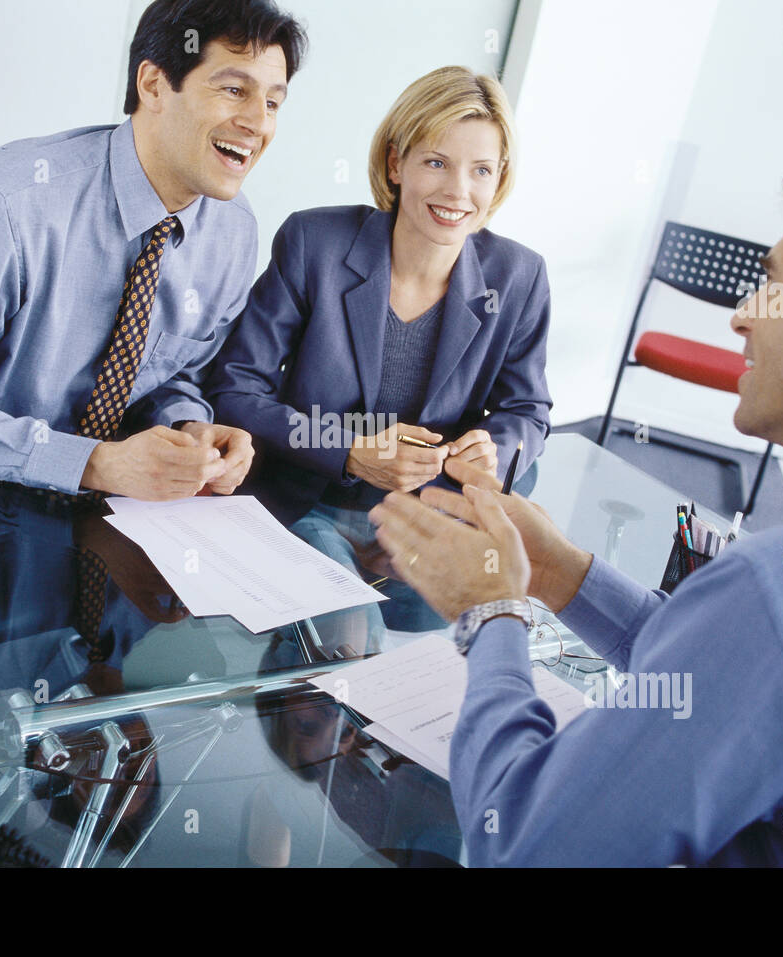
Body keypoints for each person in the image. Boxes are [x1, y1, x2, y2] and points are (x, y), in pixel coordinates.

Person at [368, 159, 783, 866]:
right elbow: (744, 673)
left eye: (774, 286)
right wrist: (562, 574)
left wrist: (493, 613)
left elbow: (520, 846)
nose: (740, 316)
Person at [0, 0, 307, 500]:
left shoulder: (234, 231)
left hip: (109, 516)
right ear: (153, 85)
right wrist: (93, 463)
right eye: (234, 90)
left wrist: (188, 428)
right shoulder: (5, 205)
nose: (258, 123)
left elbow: (172, 375)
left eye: (273, 103)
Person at [207, 66, 551, 644]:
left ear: (500, 181)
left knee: (484, 634)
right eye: (436, 162)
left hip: (426, 520)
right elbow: (234, 392)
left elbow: (530, 411)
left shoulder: (519, 276)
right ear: (397, 164)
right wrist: (348, 452)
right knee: (350, 647)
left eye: (481, 170)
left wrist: (496, 449)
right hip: (310, 504)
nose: (457, 191)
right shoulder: (314, 243)